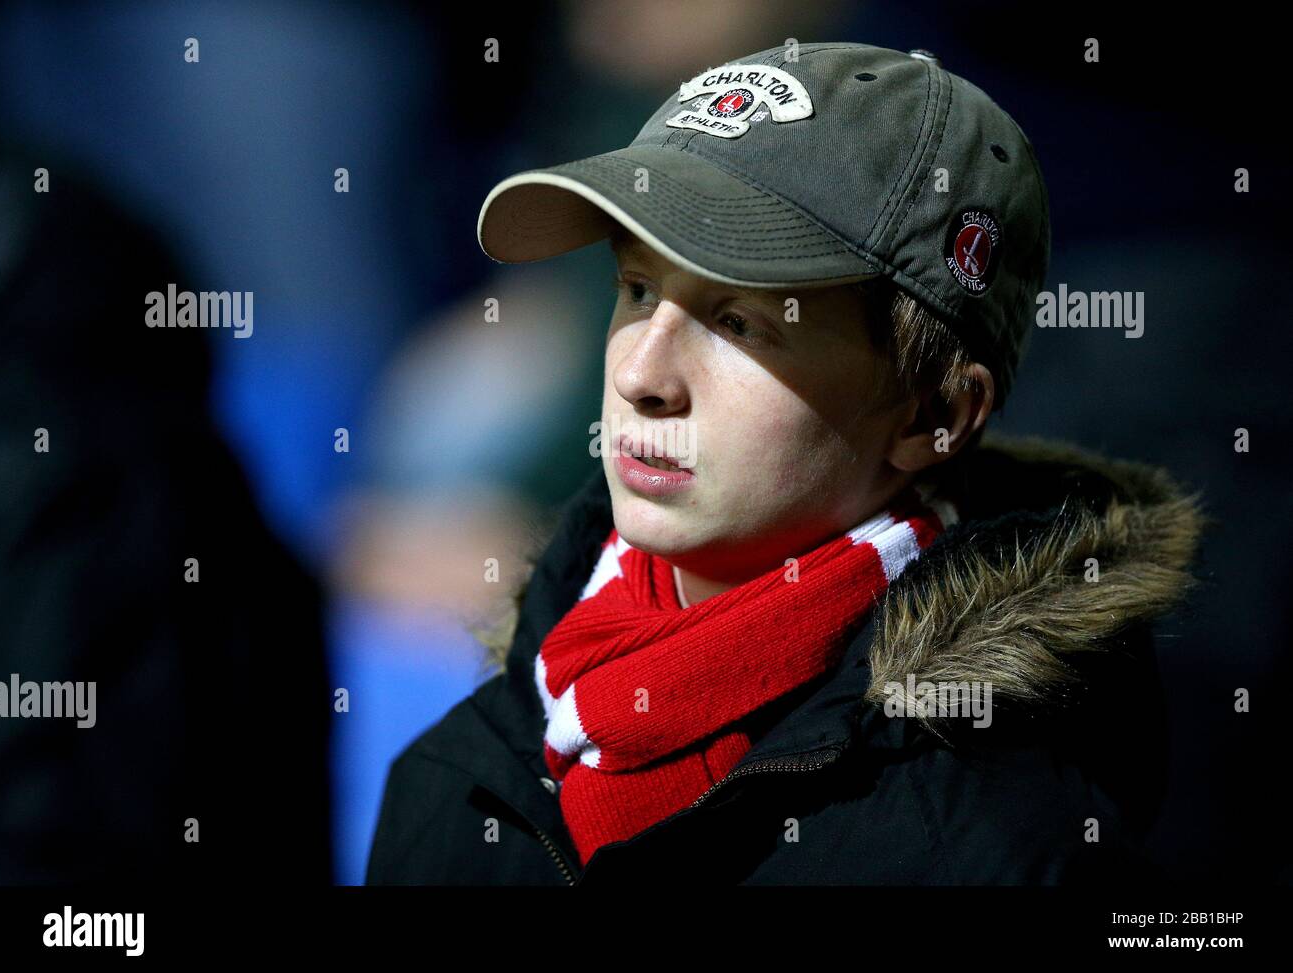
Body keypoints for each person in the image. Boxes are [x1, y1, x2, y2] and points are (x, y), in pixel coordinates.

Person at [366, 41, 1203, 884]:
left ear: (933, 414)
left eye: (740, 323)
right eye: (638, 290)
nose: (640, 374)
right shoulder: (458, 777)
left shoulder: (990, 848)